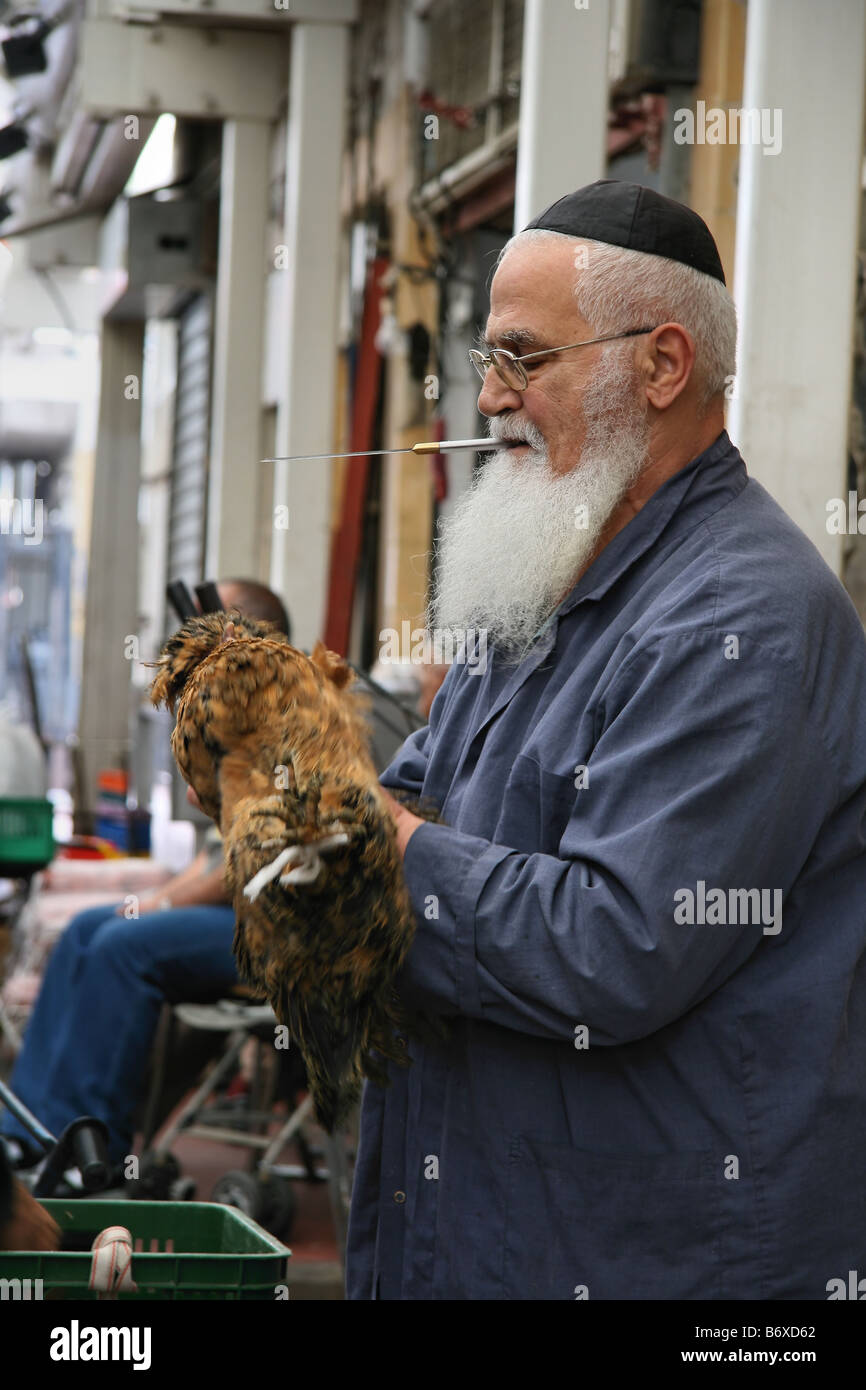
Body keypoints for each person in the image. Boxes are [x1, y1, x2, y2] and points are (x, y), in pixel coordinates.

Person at [347, 180, 866, 1300]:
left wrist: (368, 844)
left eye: (522, 358)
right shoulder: (540, 569)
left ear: (661, 365)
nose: (488, 398)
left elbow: (614, 944)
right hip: (484, 1225)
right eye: (485, 359)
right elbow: (411, 793)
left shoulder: (743, 619)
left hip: (648, 1256)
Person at [0, 579, 289, 1172]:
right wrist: (152, 899)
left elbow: (245, 864)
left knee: (120, 949)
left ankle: (88, 1152)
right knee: (87, 929)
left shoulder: (285, 719)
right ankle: (26, 1132)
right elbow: (217, 857)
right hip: (239, 912)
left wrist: (152, 910)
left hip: (284, 929)